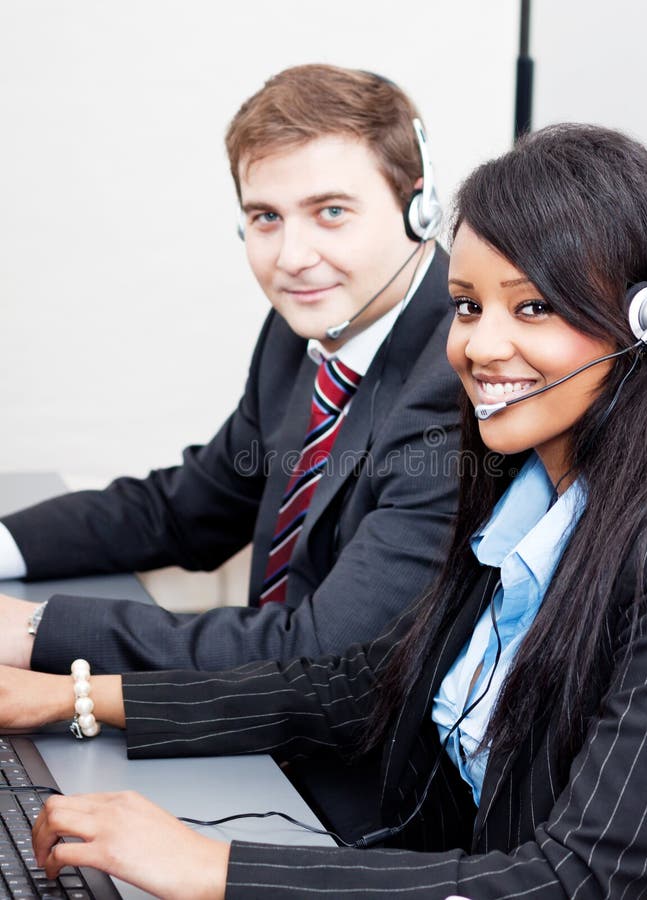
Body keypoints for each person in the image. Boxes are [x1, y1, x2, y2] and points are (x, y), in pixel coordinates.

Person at [2, 123, 647, 899]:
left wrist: (209, 868)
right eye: (466, 306)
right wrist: (76, 698)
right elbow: (368, 684)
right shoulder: (521, 471)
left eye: (532, 308)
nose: (481, 347)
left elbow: (574, 880)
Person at [0, 64, 460, 673]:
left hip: (354, 753)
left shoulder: (455, 374)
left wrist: (37, 630)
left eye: (330, 212)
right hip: (259, 719)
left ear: (418, 208)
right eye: (267, 217)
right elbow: (185, 511)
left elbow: (322, 648)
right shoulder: (303, 333)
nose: (291, 259)